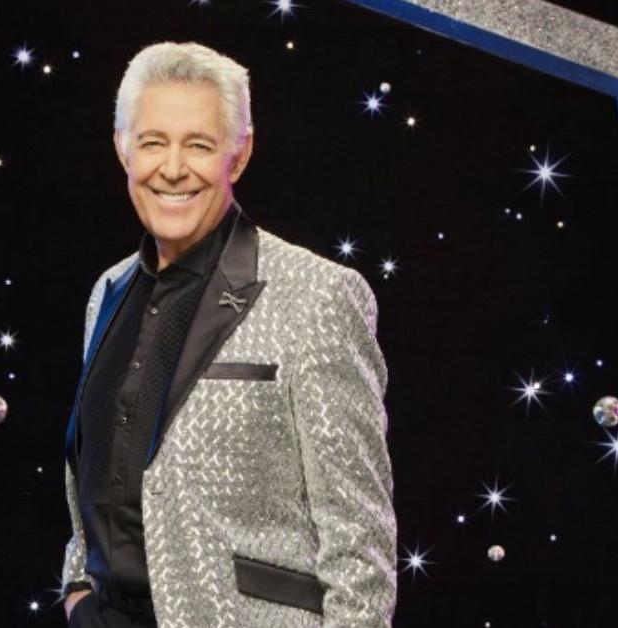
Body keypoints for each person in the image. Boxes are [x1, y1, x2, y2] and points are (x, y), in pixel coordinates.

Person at [60, 41, 397, 627]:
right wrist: (77, 588)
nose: (172, 168)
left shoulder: (316, 295)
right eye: (153, 142)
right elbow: (97, 472)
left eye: (198, 144)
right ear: (122, 148)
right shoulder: (106, 292)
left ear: (238, 156)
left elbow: (360, 543)